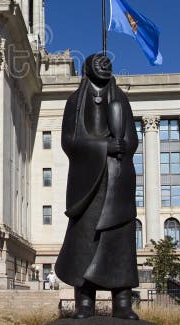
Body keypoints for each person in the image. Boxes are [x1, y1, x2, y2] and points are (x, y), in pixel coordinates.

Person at [54, 53, 139, 319]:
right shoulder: (74, 102)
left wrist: (122, 146)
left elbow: (132, 138)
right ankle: (85, 302)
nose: (104, 65)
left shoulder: (121, 100)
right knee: (85, 243)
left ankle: (122, 303)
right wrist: (103, 147)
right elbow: (69, 141)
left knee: (120, 241)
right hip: (88, 184)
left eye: (108, 62)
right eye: (98, 62)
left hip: (117, 180)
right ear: (87, 67)